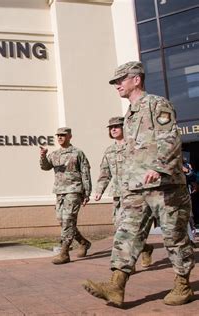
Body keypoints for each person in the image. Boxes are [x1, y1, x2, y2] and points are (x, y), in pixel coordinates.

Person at [83, 61, 195, 307]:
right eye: (115, 82)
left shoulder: (157, 104)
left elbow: (170, 138)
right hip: (136, 188)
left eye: (121, 80)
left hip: (165, 186)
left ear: (136, 79)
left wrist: (159, 167)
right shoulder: (130, 116)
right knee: (127, 234)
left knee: (174, 236)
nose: (117, 86)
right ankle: (116, 285)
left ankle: (182, 285)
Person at [94, 116, 154, 270]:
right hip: (119, 195)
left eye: (117, 126)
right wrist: (99, 190)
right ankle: (145, 248)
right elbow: (104, 173)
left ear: (124, 128)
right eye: (111, 127)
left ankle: (127, 264)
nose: (113, 129)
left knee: (132, 229)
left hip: (135, 193)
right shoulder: (109, 151)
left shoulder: (133, 146)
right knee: (121, 228)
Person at [40, 127, 92, 264]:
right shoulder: (55, 154)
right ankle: (83, 242)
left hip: (74, 190)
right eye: (58, 136)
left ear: (70, 136)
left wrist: (87, 192)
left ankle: (64, 252)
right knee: (62, 220)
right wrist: (43, 155)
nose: (60, 138)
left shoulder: (77, 153)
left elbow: (85, 172)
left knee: (68, 219)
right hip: (59, 191)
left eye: (63, 135)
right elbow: (45, 167)